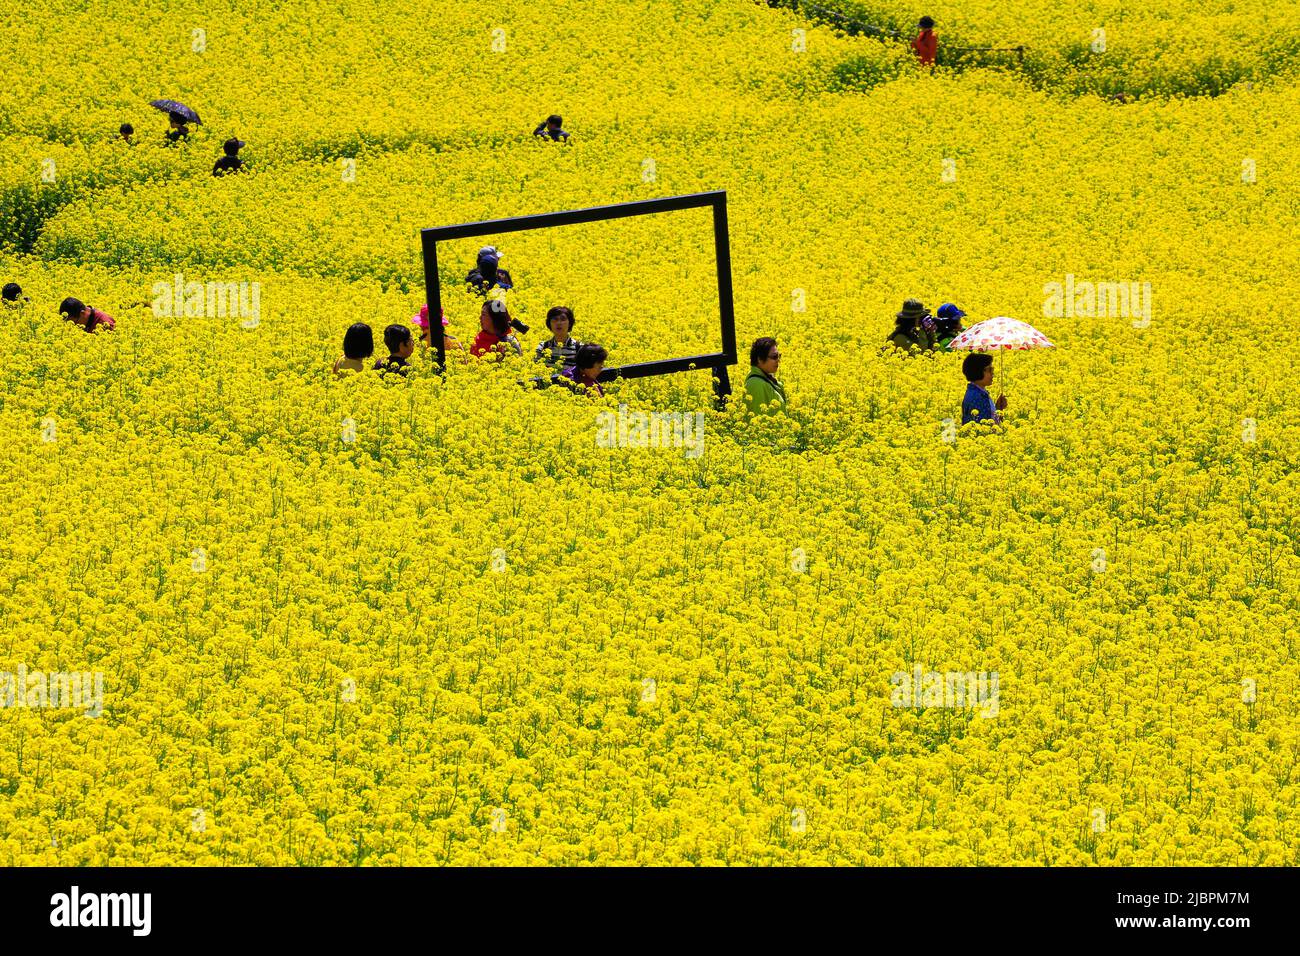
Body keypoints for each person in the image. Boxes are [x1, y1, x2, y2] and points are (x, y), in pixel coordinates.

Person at [961, 352, 1007, 426]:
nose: (992, 373)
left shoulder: (981, 393)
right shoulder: (976, 397)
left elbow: (990, 420)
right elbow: (983, 427)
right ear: (978, 371)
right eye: (990, 370)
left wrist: (998, 409)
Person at [743, 337, 787, 414]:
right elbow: (759, 418)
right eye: (774, 357)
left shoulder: (766, 380)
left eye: (779, 356)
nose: (778, 360)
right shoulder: (756, 385)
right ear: (760, 359)